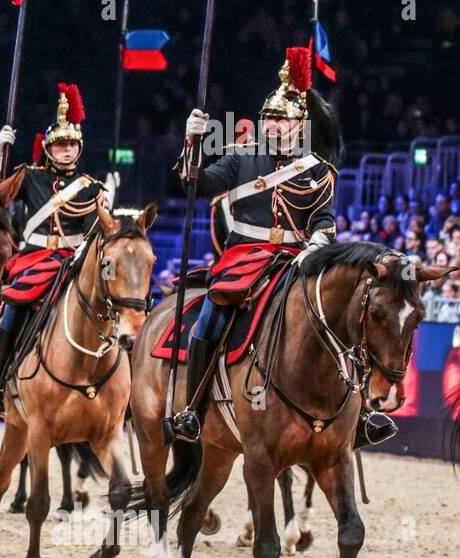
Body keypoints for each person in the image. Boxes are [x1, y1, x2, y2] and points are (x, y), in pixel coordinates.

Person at [168, 45, 394, 448]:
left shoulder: (319, 170)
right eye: (269, 118)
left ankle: (362, 413)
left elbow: (323, 218)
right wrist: (192, 142)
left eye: (282, 119)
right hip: (244, 257)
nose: (273, 125)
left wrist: (318, 243)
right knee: (212, 314)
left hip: (296, 258)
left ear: (301, 122)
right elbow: (197, 183)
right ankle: (194, 409)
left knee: (343, 315)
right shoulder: (240, 157)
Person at [0, 84, 105, 418]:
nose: (66, 150)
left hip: (72, 263)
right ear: (49, 149)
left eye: (71, 144)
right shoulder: (30, 176)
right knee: (14, 310)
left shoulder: (92, 187)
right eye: (60, 144)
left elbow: (93, 231)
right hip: (34, 261)